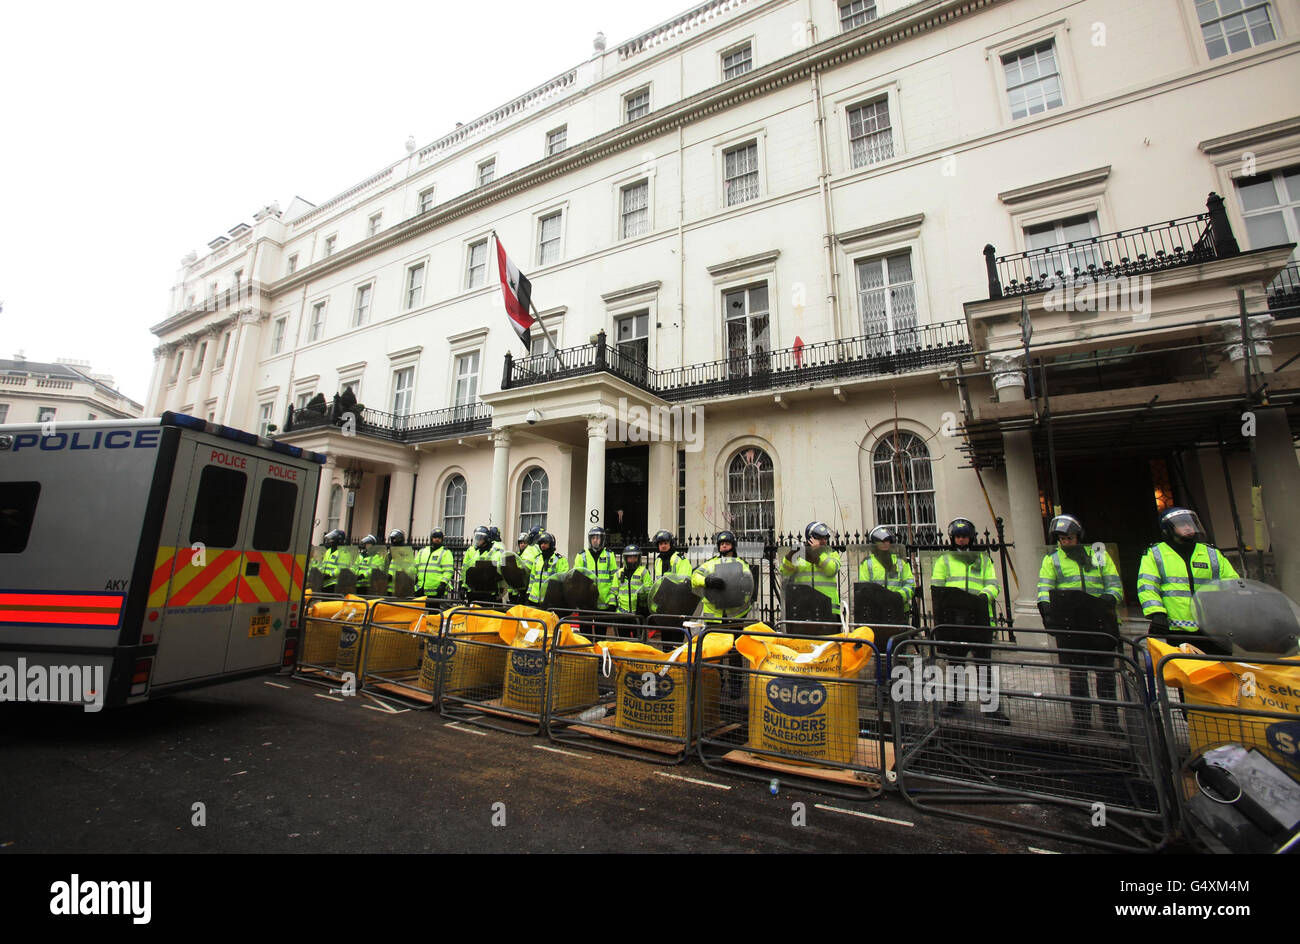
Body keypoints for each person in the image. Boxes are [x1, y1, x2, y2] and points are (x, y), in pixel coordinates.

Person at [1037, 514, 1124, 734]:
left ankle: (1111, 722)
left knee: (1105, 675)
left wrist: (1110, 598)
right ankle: (1082, 721)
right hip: (1071, 623)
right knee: (1077, 676)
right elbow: (1044, 588)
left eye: (1069, 538)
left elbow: (1113, 582)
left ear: (1078, 537)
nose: (1066, 542)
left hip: (1099, 621)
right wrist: (1047, 610)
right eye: (1062, 539)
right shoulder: (1053, 559)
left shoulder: (1097, 554)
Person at [930, 517, 1008, 723]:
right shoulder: (944, 560)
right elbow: (937, 588)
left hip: (979, 619)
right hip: (955, 620)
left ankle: (992, 707)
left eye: (964, 536)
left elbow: (993, 584)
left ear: (971, 538)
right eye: (957, 537)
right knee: (955, 664)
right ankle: (955, 704)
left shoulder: (983, 560)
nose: (961, 540)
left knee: (984, 666)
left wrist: (982, 597)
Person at [1137, 507, 1238, 653]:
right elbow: (1147, 586)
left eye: (1190, 523)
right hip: (1178, 628)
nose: (1188, 527)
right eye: (1182, 524)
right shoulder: (1155, 553)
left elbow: (1232, 583)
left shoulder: (1211, 553)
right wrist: (1157, 613)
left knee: (1221, 671)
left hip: (1215, 627)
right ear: (1168, 529)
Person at [779, 520, 842, 621]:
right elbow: (785, 572)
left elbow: (831, 569)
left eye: (825, 538)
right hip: (804, 608)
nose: (824, 541)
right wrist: (790, 556)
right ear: (810, 539)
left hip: (828, 608)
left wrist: (818, 554)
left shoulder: (832, 553)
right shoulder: (800, 555)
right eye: (820, 539)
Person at [691, 530, 753, 620]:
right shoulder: (710, 563)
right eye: (721, 544)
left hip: (736, 615)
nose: (724, 545)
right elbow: (694, 577)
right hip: (713, 616)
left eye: (727, 543)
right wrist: (707, 581)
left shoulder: (743, 565)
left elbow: (749, 585)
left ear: (733, 545)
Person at [858, 524, 916, 613]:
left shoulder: (900, 561)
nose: (884, 543)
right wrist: (879, 599)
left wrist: (897, 596)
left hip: (899, 609)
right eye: (880, 541)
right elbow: (864, 588)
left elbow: (910, 585)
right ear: (874, 543)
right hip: (876, 611)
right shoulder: (867, 563)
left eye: (887, 541)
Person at [574, 526, 618, 611]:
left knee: (601, 624)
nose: (595, 540)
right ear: (590, 539)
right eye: (593, 538)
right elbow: (577, 579)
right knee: (585, 624)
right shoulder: (581, 555)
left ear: (602, 539)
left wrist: (612, 601)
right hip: (586, 601)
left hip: (605, 602)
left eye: (597, 538)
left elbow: (614, 580)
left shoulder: (609, 555)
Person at [613, 545, 652, 633]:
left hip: (638, 613)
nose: (632, 559)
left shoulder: (644, 572)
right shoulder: (619, 573)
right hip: (622, 614)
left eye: (635, 557)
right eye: (630, 557)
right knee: (623, 642)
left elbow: (648, 590)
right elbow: (613, 592)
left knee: (638, 642)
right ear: (625, 558)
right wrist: (613, 607)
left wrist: (644, 608)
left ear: (638, 558)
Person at [414, 529, 455, 604]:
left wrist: (443, 584)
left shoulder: (445, 552)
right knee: (417, 612)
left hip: (435, 591)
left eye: (439, 538)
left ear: (442, 539)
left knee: (432, 614)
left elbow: (448, 570)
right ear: (431, 538)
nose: (437, 539)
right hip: (420, 589)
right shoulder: (422, 551)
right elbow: (415, 567)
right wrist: (413, 578)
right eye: (435, 537)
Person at [527, 531, 569, 604]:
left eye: (545, 543)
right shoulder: (537, 559)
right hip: (534, 599)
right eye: (541, 543)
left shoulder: (560, 560)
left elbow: (563, 581)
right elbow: (532, 578)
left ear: (551, 544)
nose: (543, 545)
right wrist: (528, 593)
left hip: (550, 599)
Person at [461, 526, 500, 603]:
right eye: (477, 538)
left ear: (486, 539)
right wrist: (463, 586)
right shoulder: (474, 552)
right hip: (473, 590)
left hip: (487, 591)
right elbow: (466, 570)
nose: (478, 540)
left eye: (480, 538)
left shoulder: (494, 552)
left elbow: (496, 570)